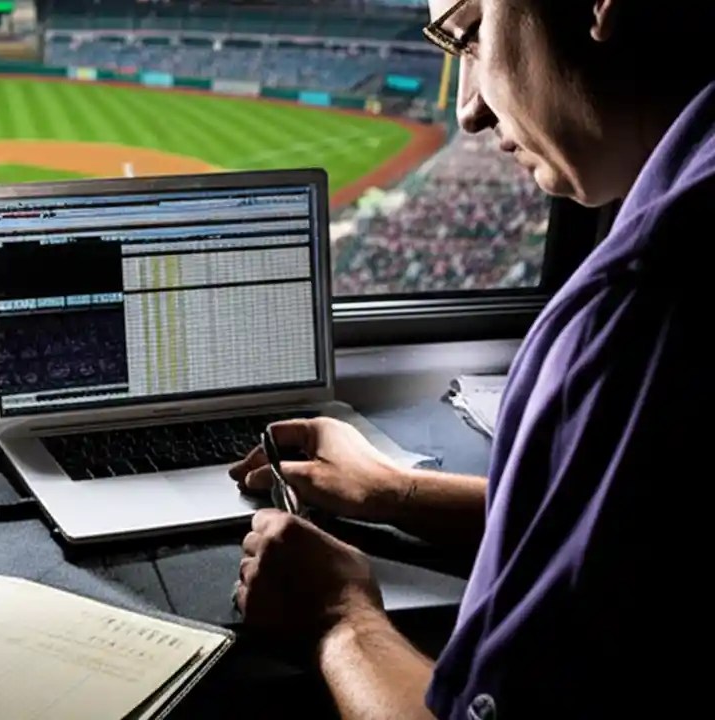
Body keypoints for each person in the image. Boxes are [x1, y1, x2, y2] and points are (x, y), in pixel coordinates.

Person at [230, 0, 712, 717]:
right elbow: (627, 530)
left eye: (470, 35)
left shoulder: (649, 296)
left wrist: (341, 618)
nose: (470, 112)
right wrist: (393, 491)